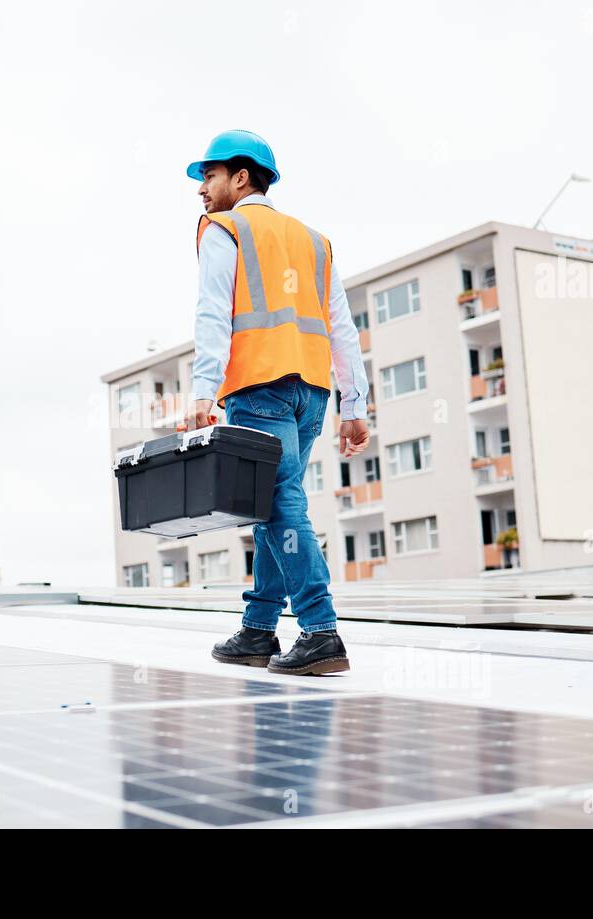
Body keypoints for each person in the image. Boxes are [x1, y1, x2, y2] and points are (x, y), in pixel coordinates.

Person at [178, 129, 370, 676]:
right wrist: (354, 404)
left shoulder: (224, 227)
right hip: (311, 392)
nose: (201, 190)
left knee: (278, 503)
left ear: (241, 178)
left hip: (258, 387)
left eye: (209, 176)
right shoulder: (314, 240)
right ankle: (260, 629)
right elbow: (342, 327)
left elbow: (213, 312)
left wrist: (202, 390)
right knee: (271, 501)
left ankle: (320, 631)